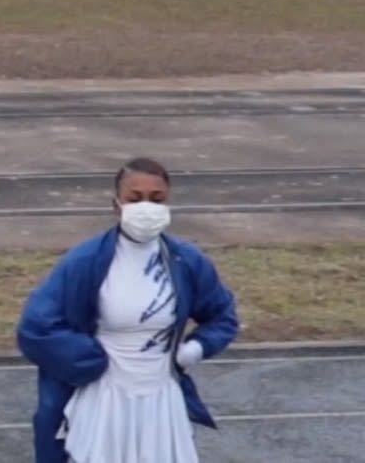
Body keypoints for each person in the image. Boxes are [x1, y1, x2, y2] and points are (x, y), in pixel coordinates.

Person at [17, 158, 240, 463]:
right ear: (116, 204)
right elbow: (36, 327)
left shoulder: (186, 260)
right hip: (103, 397)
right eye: (135, 199)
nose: (146, 207)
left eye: (157, 199)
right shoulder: (84, 261)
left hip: (162, 399)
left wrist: (197, 348)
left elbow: (222, 316)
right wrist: (85, 359)